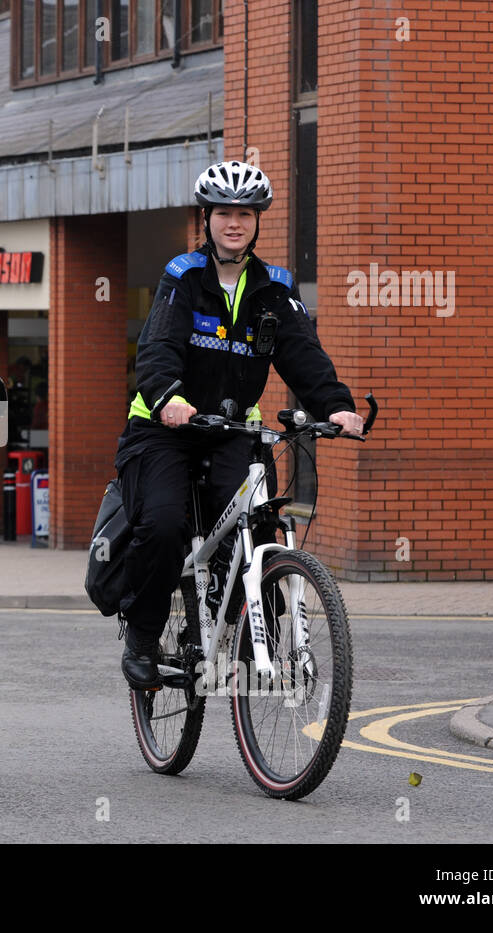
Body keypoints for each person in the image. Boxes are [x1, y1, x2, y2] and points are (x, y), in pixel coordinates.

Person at [115, 160, 364, 689]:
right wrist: (166, 398)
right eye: (224, 212)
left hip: (232, 431)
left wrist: (336, 405)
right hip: (164, 429)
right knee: (162, 525)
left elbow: (303, 355)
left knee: (262, 522)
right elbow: (157, 348)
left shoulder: (274, 286)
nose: (235, 223)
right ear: (206, 218)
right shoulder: (182, 276)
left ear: (257, 222)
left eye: (245, 214)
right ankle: (141, 636)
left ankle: (260, 637)